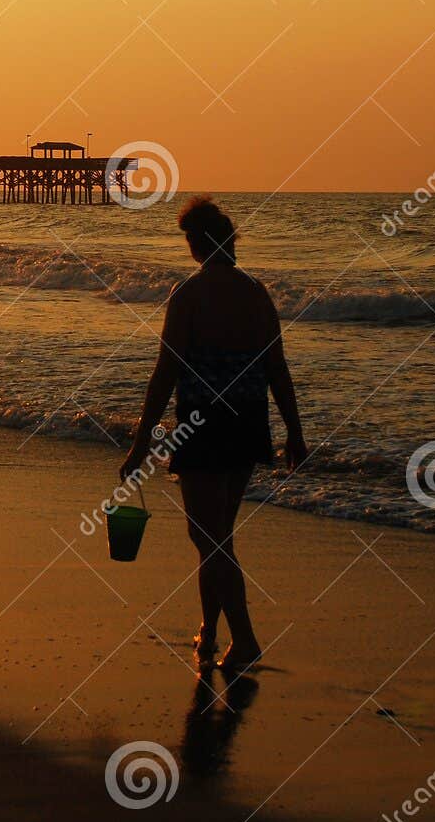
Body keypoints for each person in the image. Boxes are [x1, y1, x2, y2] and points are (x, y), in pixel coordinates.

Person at [120, 197, 306, 673]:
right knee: (217, 535)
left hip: (203, 426)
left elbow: (165, 373)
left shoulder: (189, 295)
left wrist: (140, 446)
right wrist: (295, 432)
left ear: (199, 243)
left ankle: (244, 639)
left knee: (208, 538)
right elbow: (276, 368)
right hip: (247, 422)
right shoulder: (257, 293)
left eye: (189, 241)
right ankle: (210, 631)